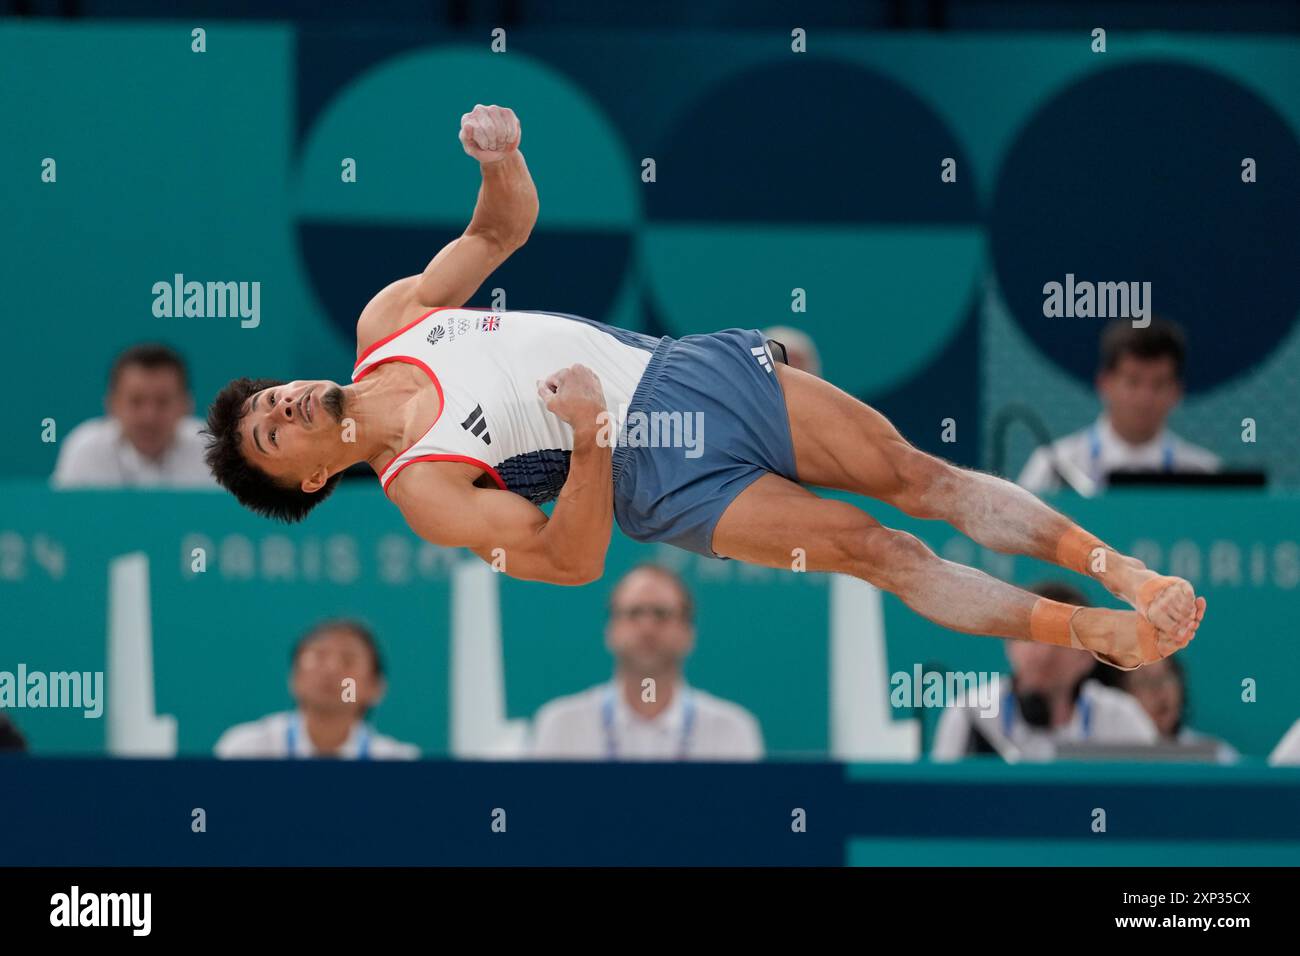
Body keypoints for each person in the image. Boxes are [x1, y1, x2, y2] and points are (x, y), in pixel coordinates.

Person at [203, 103, 1204, 673]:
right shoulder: (423, 490)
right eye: (271, 435)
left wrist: (500, 162)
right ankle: (1082, 630)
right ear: (302, 483)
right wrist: (591, 442)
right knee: (877, 548)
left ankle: (1115, 570)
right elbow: (569, 558)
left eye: (268, 398)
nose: (282, 407)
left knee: (912, 472)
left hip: (683, 370)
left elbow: (498, 233)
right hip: (657, 482)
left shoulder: (388, 324)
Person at [529, 564, 763, 760]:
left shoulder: (731, 729)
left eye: (661, 613)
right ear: (611, 630)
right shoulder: (561, 725)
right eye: (634, 613)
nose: (647, 627)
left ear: (688, 632)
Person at [932, 582, 1159, 761]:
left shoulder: (1122, 719)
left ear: (1089, 657)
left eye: (1060, 638)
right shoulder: (970, 714)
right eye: (1033, 637)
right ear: (1010, 646)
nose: (1044, 653)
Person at [1018, 320, 1220, 494]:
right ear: (1104, 383)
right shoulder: (1054, 466)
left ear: (1177, 391)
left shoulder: (1206, 474)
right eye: (1133, 382)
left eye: (1159, 384)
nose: (1145, 398)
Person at [214, 619, 418, 759]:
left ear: (375, 687)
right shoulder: (246, 750)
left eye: (348, 661)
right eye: (318, 657)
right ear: (294, 677)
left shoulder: (396, 760)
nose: (331, 670)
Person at [53, 343, 216, 489]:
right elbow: (61, 519)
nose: (149, 416)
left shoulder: (214, 452)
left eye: (162, 402)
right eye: (136, 401)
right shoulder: (84, 450)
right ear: (112, 404)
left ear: (186, 405)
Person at [1103, 656, 1237, 763]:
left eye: (1166, 677)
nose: (1160, 691)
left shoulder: (1218, 756)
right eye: (1144, 681)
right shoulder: (1106, 757)